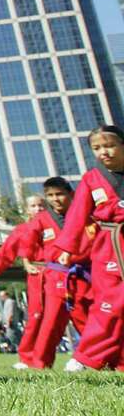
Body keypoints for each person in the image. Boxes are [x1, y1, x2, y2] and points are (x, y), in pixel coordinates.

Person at [2, 177, 92, 369]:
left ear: (71, 195)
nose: (55, 199)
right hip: (54, 276)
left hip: (83, 275)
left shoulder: (84, 214)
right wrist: (24, 261)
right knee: (49, 321)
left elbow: (93, 240)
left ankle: (97, 359)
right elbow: (25, 242)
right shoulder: (40, 221)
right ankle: (38, 362)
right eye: (50, 195)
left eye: (59, 194)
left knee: (89, 320)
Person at [56, 124, 124, 372]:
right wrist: (66, 248)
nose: (103, 152)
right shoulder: (91, 179)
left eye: (109, 146)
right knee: (109, 301)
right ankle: (87, 356)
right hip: (109, 245)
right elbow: (77, 216)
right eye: (97, 148)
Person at [0, 194, 46, 364]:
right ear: (27, 210)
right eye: (34, 206)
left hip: (63, 273)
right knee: (36, 315)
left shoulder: (59, 223)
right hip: (37, 274)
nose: (38, 209)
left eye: (41, 205)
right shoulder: (22, 230)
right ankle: (28, 358)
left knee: (81, 311)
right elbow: (6, 251)